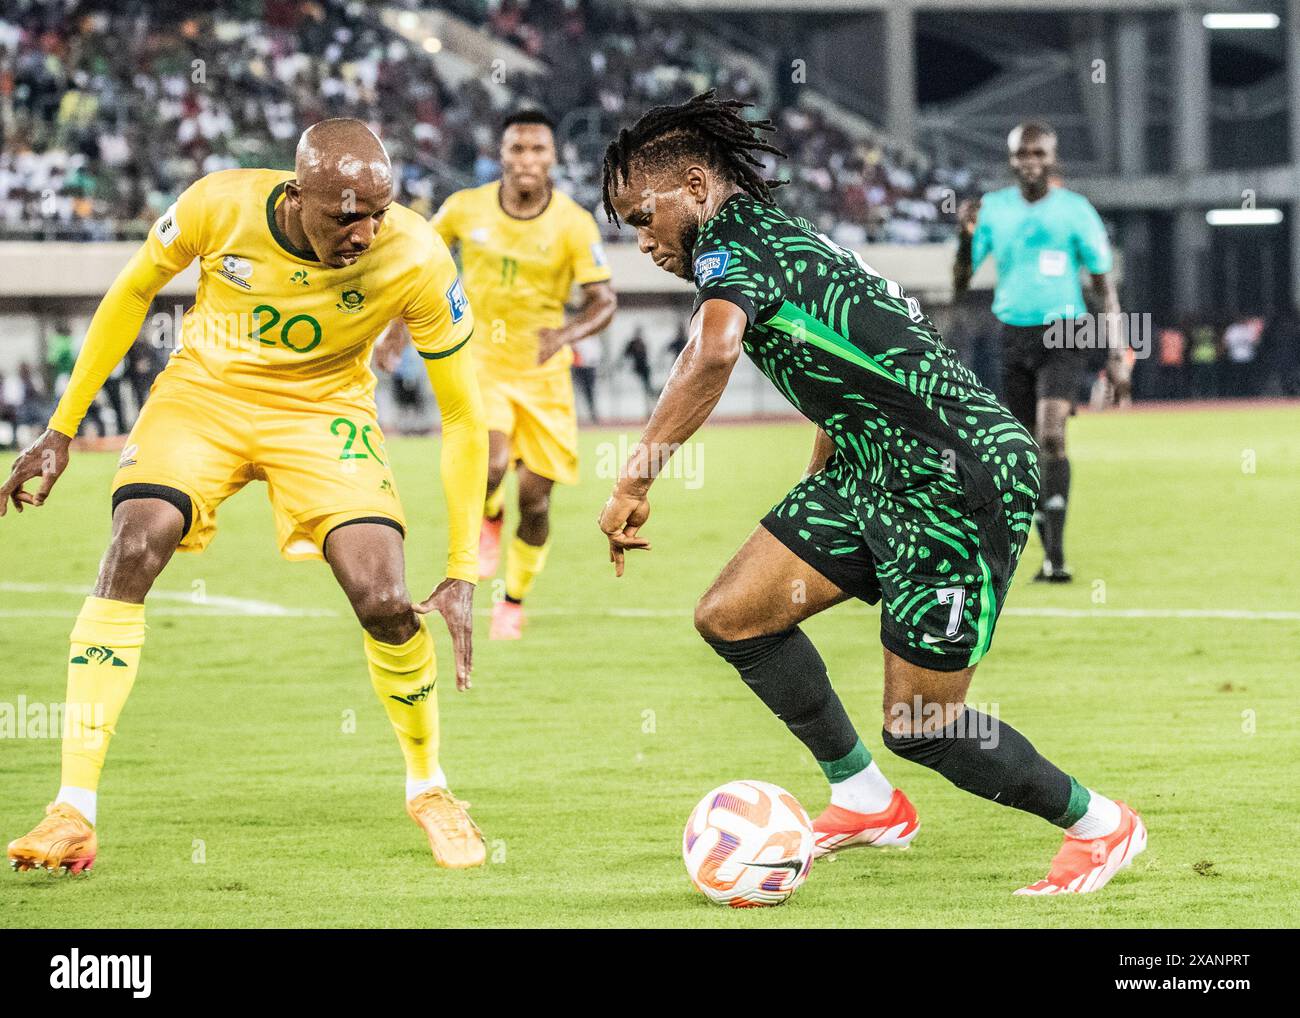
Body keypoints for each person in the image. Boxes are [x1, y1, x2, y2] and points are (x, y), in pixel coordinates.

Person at [598, 92, 1145, 895]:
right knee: (734, 615)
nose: (642, 240)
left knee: (923, 728)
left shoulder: (731, 245)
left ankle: (1101, 826)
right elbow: (859, 361)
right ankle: (862, 798)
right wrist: (819, 488)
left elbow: (710, 356)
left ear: (694, 184)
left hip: (955, 481)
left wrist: (633, 481)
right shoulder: (779, 241)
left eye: (643, 218)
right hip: (869, 468)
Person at [2, 119, 491, 874]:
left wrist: (463, 567)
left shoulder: (418, 256)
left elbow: (461, 414)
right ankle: (73, 809)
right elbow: (134, 288)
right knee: (133, 547)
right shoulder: (217, 205)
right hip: (203, 397)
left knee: (387, 600)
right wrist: (62, 427)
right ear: (298, 196)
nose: (363, 234)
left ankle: (430, 788)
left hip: (325, 412)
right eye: (343, 217)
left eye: (377, 214)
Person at [425, 109, 617, 640]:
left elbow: (604, 301)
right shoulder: (465, 209)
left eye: (538, 150)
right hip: (482, 361)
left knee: (535, 502)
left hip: (544, 375)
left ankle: (512, 601)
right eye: (517, 149)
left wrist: (564, 335)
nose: (527, 160)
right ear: (501, 155)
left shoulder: (575, 224)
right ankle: (488, 517)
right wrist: (400, 325)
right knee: (489, 465)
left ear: (553, 158)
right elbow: (418, 256)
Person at [953, 122, 1128, 583]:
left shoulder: (1076, 211)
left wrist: (1116, 354)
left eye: (1039, 153)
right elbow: (960, 281)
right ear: (1011, 160)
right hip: (1013, 334)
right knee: (1026, 451)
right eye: (1022, 154)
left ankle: (1057, 557)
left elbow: (1103, 288)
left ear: (1053, 158)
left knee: (1052, 436)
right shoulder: (992, 209)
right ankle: (1046, 549)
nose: (1031, 161)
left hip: (1064, 331)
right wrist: (966, 237)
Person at [571, 335, 602, 424]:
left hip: (589, 367)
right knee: (574, 392)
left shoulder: (594, 339)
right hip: (578, 367)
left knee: (590, 393)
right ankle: (575, 416)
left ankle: (593, 415)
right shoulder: (578, 337)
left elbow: (596, 354)